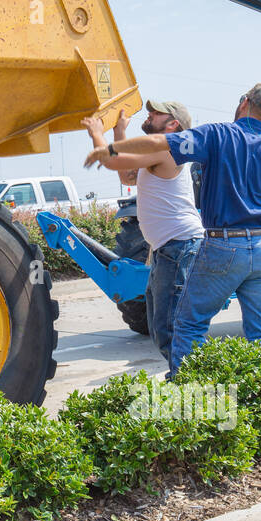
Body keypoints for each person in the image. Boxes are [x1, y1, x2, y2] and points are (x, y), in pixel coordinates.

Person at [86, 83, 261, 375]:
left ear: (243, 102)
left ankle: (192, 398)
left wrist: (108, 144)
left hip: (220, 247)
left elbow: (157, 145)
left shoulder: (218, 135)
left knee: (187, 325)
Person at [83, 99, 203, 363]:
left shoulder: (166, 150)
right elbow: (127, 176)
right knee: (162, 326)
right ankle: (186, 373)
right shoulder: (159, 152)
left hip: (178, 245)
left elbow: (112, 161)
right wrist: (118, 132)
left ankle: (189, 378)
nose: (149, 114)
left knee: (170, 328)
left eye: (156, 112)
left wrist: (96, 133)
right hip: (169, 247)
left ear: (173, 124)